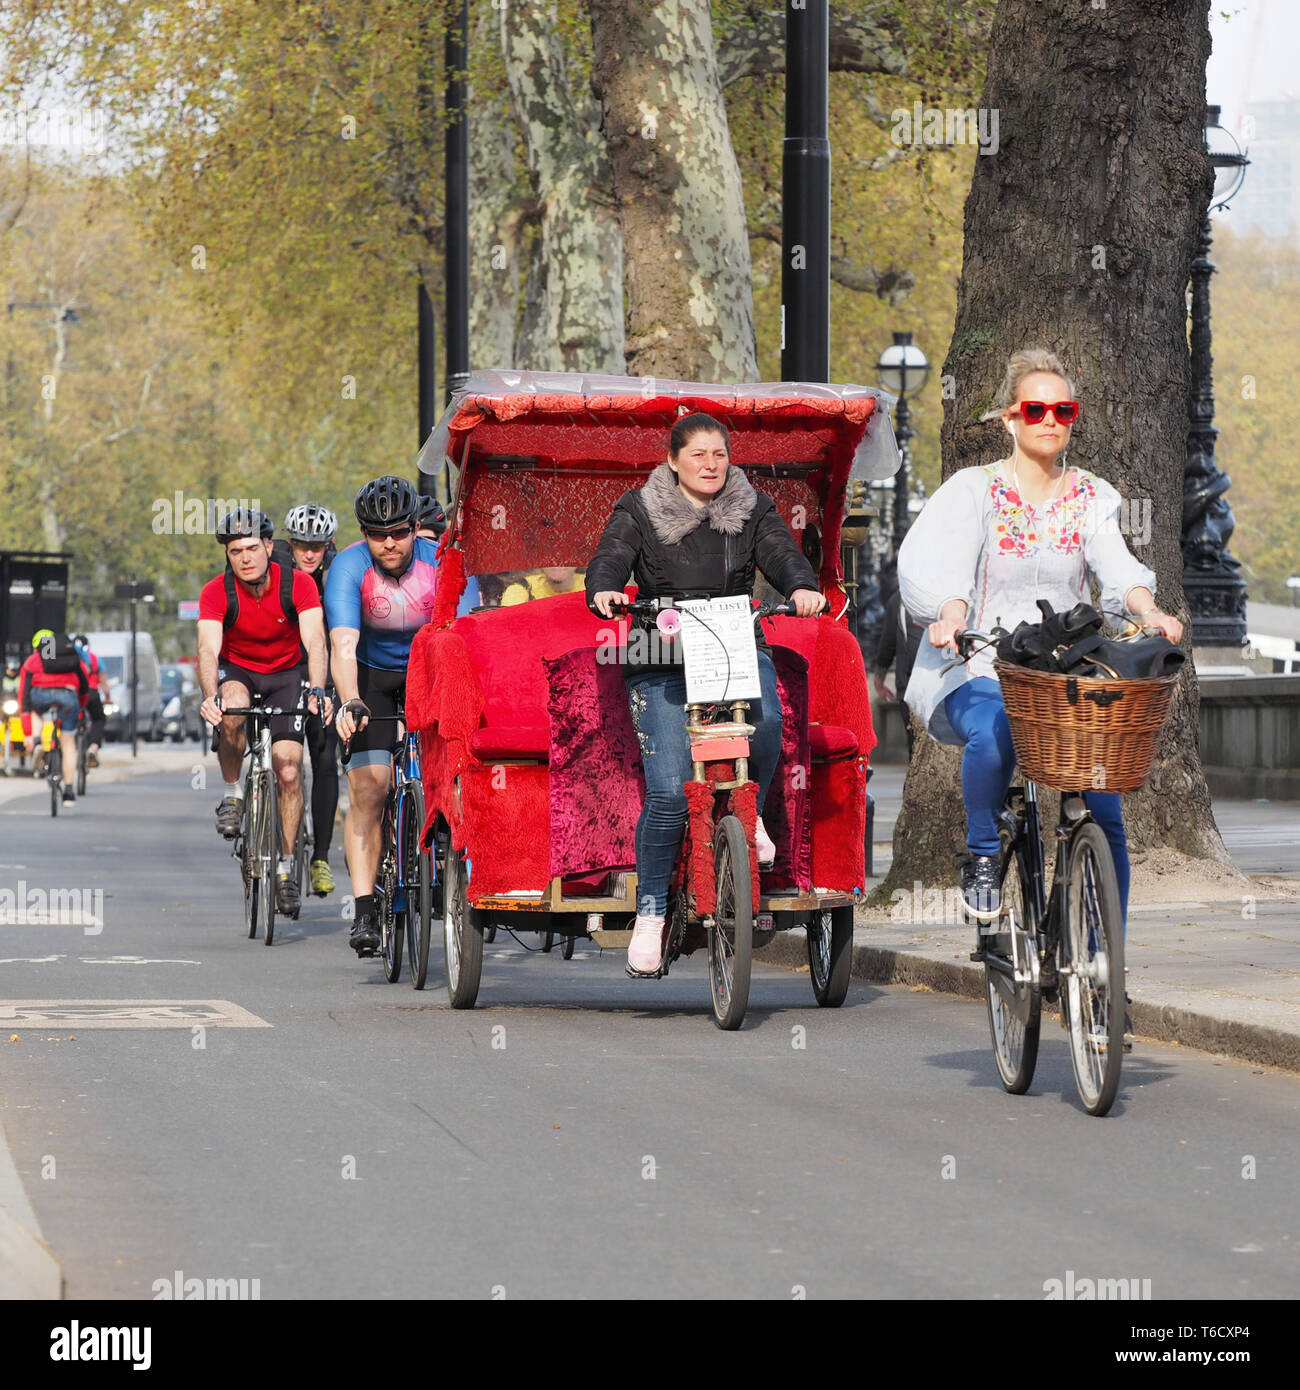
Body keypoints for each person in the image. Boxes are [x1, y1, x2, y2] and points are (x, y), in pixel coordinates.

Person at [897, 347, 1184, 930]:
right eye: (1035, 409)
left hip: (1063, 669)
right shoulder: (973, 490)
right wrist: (950, 615)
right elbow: (945, 564)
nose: (1050, 420)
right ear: (1010, 419)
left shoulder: (1089, 496)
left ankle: (1107, 961)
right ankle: (982, 854)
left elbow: (1118, 565)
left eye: (1063, 410)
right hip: (978, 658)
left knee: (1105, 811)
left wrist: (1150, 609)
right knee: (996, 728)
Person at [586, 412, 827, 976]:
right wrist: (604, 591)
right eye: (698, 455)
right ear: (673, 461)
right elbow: (610, 560)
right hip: (661, 656)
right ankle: (650, 912)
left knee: (766, 725)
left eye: (719, 454)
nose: (711, 465)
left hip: (732, 646)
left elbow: (782, 554)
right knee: (670, 791)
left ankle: (752, 816)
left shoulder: (753, 506)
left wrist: (801, 586)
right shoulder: (638, 509)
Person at [197, 508, 332, 917]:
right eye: (235, 550)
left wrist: (318, 690)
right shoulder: (216, 591)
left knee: (289, 770)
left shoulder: (300, 584)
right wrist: (210, 696)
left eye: (253, 548)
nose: (245, 557)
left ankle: (287, 869)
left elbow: (316, 641)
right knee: (232, 705)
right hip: (239, 670)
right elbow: (207, 649)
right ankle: (232, 795)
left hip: (287, 674)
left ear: (270, 547)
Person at [325, 475, 439, 957]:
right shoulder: (349, 568)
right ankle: (367, 908)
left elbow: (468, 630)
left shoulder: (441, 561)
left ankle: (447, 876)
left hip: (427, 668)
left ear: (415, 528)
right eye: (376, 534)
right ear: (364, 534)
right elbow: (343, 644)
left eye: (397, 532)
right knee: (370, 786)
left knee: (443, 774)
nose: (388, 543)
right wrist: (351, 700)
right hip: (370, 675)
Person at [279, 503, 341, 897]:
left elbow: (342, 635)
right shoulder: (276, 572)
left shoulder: (338, 575)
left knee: (324, 754)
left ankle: (319, 856)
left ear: (328, 545)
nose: (309, 553)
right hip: (282, 670)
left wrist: (334, 687)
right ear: (290, 544)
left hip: (325, 671)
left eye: (317, 546)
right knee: (284, 762)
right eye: (302, 545)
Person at [18, 629, 89, 803]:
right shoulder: (71, 657)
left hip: (41, 694)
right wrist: (79, 705)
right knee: (68, 743)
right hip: (68, 696)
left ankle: (36, 742)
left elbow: (23, 696)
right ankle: (69, 792)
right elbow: (84, 684)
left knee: (36, 710)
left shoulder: (33, 660)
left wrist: (27, 733)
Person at [72, 634, 107, 766]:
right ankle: (93, 747)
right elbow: (103, 681)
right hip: (92, 693)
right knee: (99, 718)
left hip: (74, 693)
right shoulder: (94, 659)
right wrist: (108, 697)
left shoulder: (70, 658)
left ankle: (70, 749)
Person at [500, 566, 585, 605]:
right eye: (550, 553)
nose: (558, 561)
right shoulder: (520, 589)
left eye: (566, 552)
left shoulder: (593, 586)